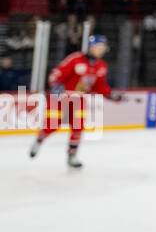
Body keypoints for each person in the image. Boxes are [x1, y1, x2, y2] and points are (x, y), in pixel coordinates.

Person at [30, 35, 123, 168]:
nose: (101, 50)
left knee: (78, 127)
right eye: (98, 47)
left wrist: (111, 95)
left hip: (79, 99)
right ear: (91, 47)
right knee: (52, 125)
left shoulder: (101, 66)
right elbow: (56, 74)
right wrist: (56, 85)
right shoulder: (75, 59)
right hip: (61, 97)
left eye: (103, 48)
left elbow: (100, 86)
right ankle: (39, 141)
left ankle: (72, 156)